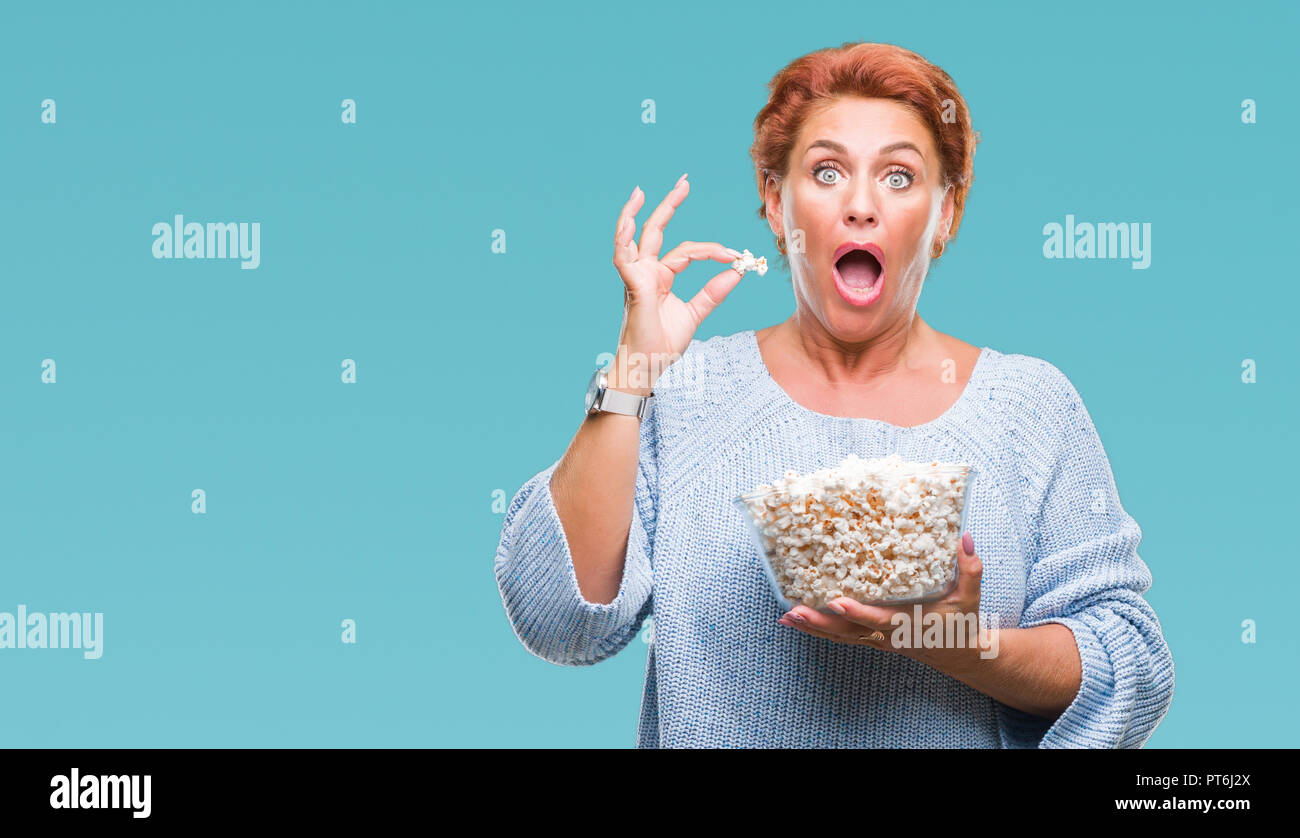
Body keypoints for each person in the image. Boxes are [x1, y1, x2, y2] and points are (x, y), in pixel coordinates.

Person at [494, 41, 1174, 748]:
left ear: (947, 213)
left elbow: (1132, 669)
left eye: (900, 177)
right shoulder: (683, 393)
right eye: (826, 172)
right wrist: (633, 372)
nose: (860, 206)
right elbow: (557, 621)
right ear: (773, 199)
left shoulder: (1029, 409)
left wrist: (954, 643)